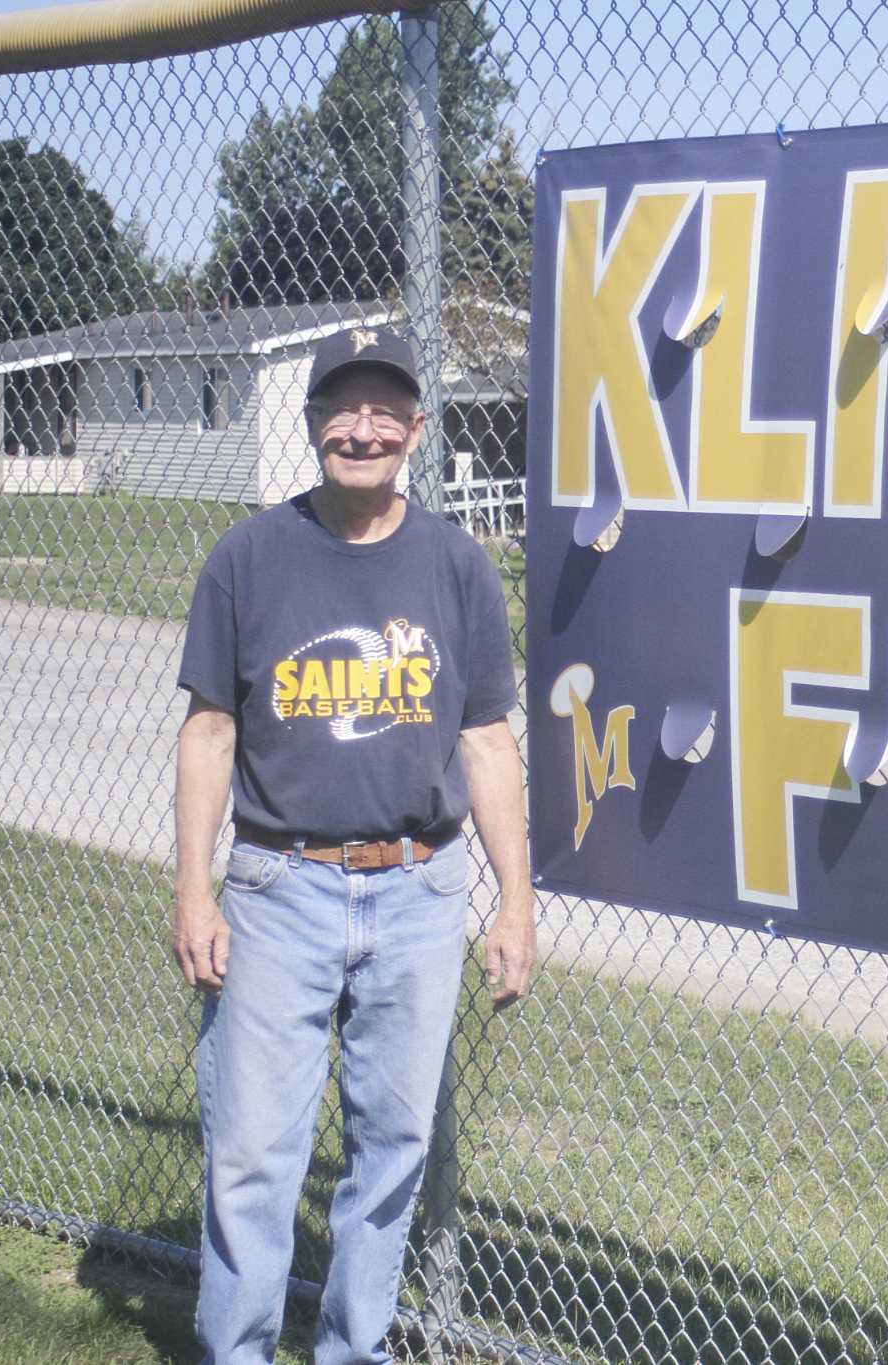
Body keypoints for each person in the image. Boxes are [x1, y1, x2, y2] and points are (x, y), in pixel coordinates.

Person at [169, 327, 535, 1364]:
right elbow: (207, 734)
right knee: (251, 1154)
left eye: (384, 410)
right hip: (279, 886)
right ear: (311, 422)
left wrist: (514, 899)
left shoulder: (456, 566)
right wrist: (194, 894)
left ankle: (352, 1349)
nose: (361, 428)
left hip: (419, 890)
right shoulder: (249, 557)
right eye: (343, 407)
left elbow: (485, 741)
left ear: (415, 430)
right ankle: (235, 1350)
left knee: (392, 1149)